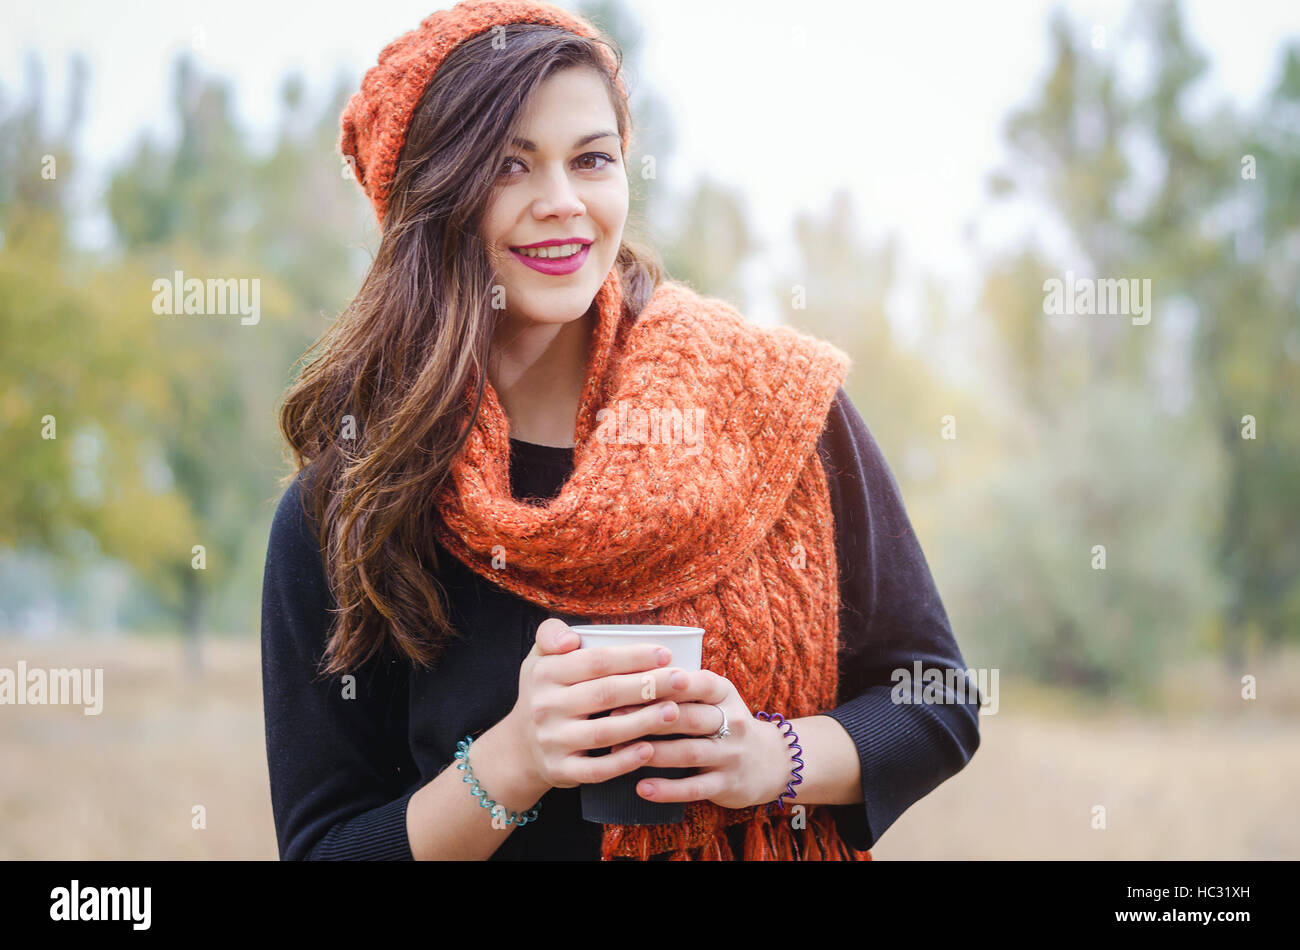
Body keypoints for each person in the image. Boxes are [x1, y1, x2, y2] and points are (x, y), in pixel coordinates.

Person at [261, 0, 980, 861]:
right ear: (431, 198)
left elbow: (935, 697)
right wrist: (515, 760)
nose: (561, 203)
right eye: (508, 167)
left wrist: (773, 759)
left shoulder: (778, 413)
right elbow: (325, 849)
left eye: (591, 159)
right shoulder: (351, 507)